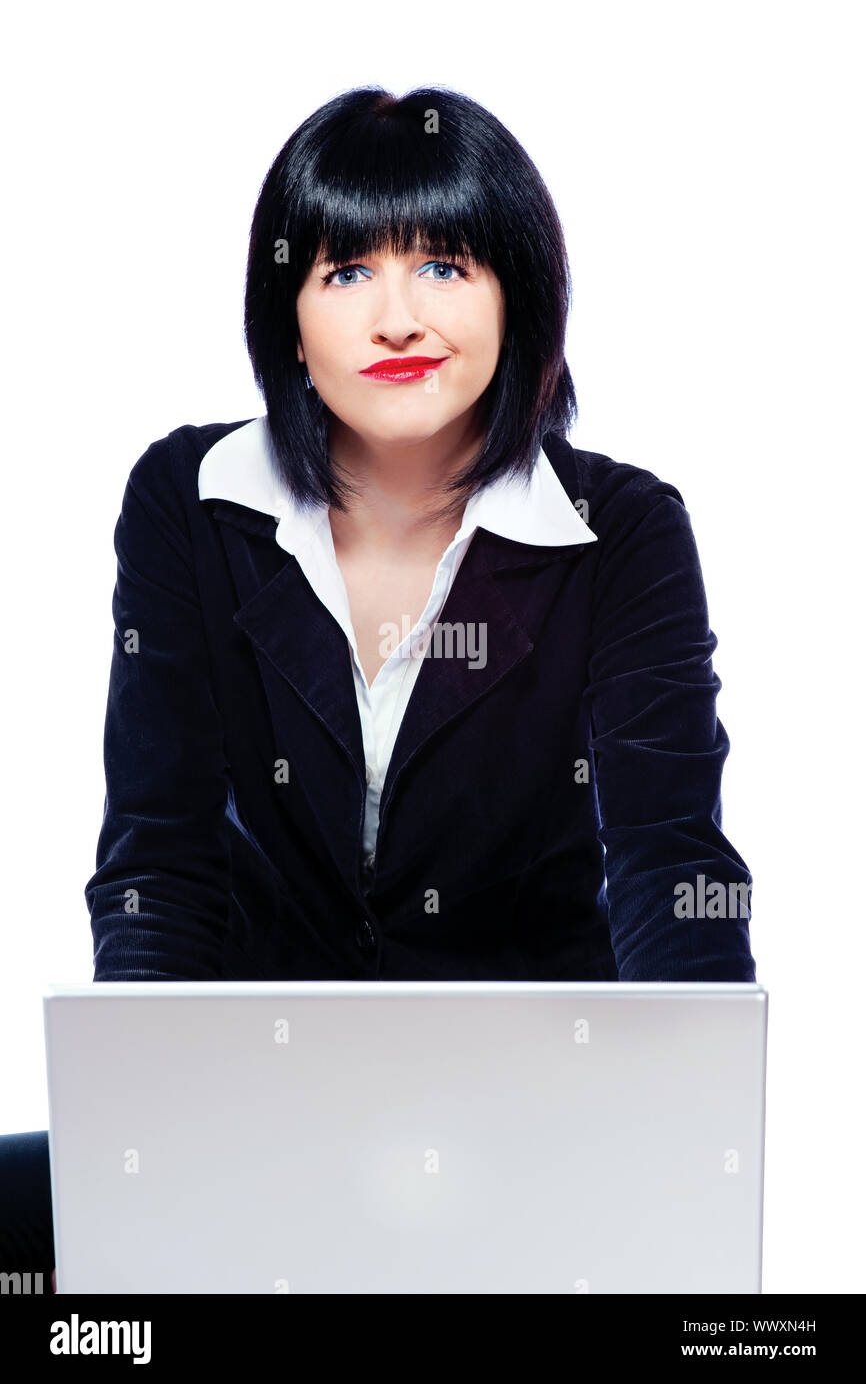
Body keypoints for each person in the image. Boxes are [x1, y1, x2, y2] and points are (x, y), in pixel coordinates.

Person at [0, 84, 757, 1284]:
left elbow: (668, 859)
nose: (397, 317)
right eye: (346, 271)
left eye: (445, 265)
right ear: (288, 318)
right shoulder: (190, 503)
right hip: (257, 1099)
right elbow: (158, 857)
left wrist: (691, 1134)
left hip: (527, 1116)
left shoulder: (623, 529)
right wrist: (141, 1132)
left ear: (519, 296)